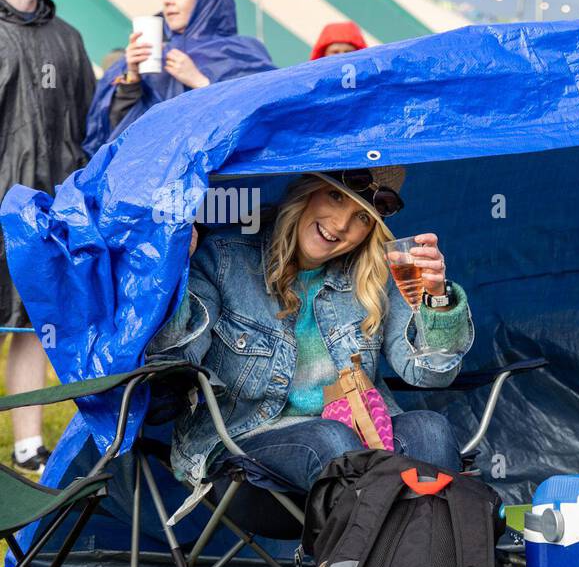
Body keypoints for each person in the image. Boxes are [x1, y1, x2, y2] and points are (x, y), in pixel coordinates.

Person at [147, 167, 472, 491]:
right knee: (333, 440)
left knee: (431, 431)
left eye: (362, 217)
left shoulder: (375, 275)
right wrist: (173, 275)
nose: (341, 225)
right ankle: (389, 539)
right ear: (308, 190)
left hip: (366, 437)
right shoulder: (223, 259)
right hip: (245, 452)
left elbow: (429, 374)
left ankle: (421, 542)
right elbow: (173, 360)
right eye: (335, 196)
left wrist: (437, 298)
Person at [0, 0, 95, 476]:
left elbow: (89, 128)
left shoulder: (68, 38)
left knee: (34, 325)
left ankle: (27, 444)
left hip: (42, 216)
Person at [82, 0, 274, 155]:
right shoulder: (152, 54)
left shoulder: (243, 53)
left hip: (221, 180)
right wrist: (131, 79)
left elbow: (263, 121)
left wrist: (200, 82)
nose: (168, 0)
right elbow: (111, 136)